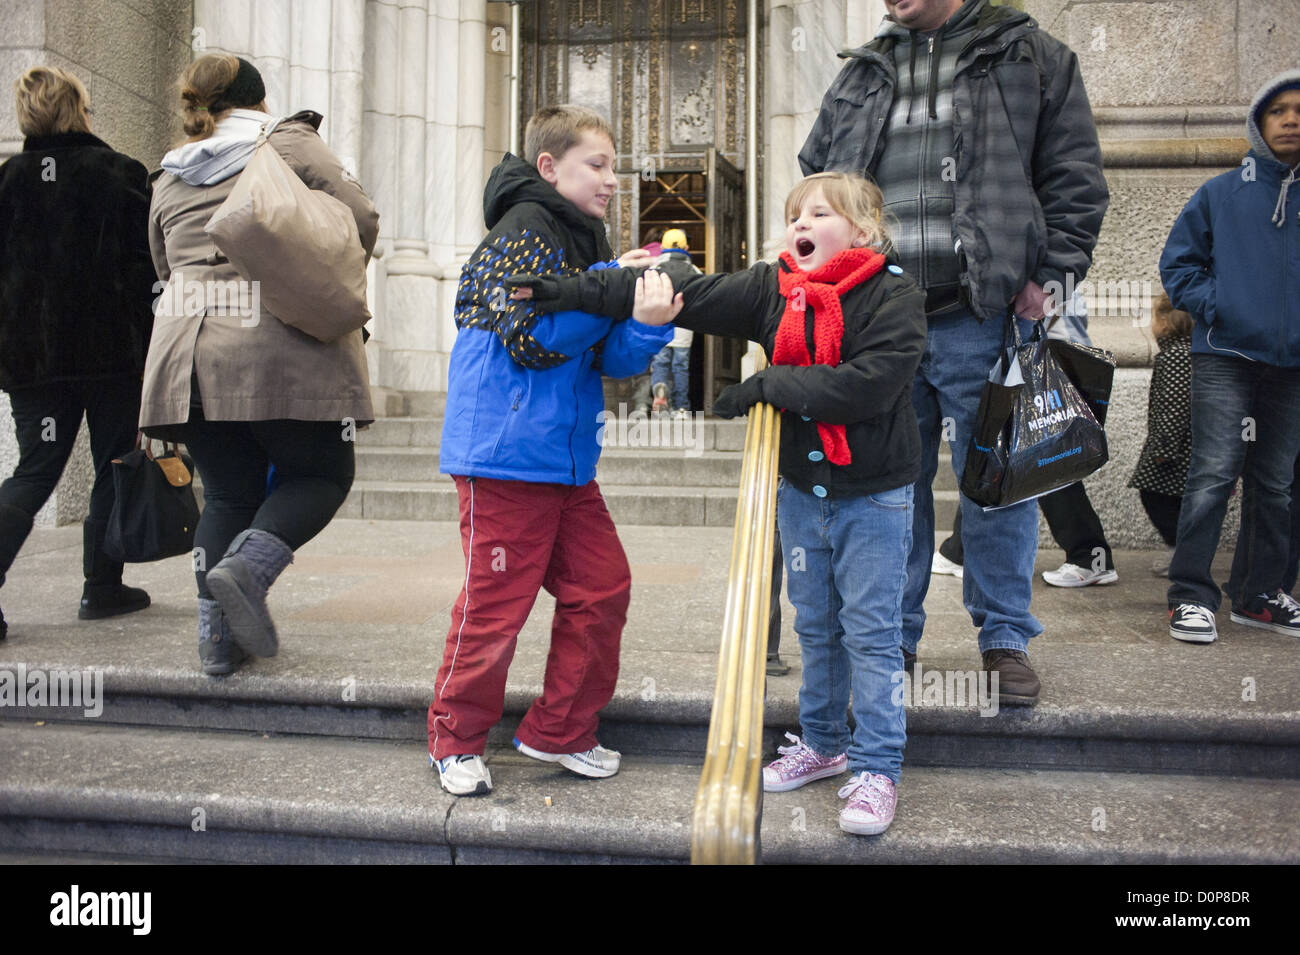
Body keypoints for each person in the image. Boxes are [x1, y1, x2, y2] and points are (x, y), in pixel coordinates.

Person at [513, 171, 926, 836]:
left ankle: (878, 767)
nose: (801, 224)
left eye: (819, 214)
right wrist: (562, 289)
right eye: (795, 213)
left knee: (872, 635)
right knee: (816, 624)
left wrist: (770, 383)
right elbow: (680, 289)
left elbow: (868, 386)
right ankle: (824, 744)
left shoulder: (894, 294)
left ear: (863, 228)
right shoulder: (774, 287)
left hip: (874, 495)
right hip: (800, 489)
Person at [799, 0, 1108, 704]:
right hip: (877, 321)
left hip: (987, 315)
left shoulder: (1030, 55)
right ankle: (890, 643)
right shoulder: (863, 72)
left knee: (1000, 484)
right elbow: (817, 178)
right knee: (886, 494)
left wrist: (1051, 275)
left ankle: (1004, 640)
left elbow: (1076, 176)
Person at [426, 104, 674, 797]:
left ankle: (558, 729)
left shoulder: (582, 241)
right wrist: (611, 290)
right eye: (597, 164)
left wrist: (647, 320)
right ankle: (454, 738)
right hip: (503, 457)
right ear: (548, 166)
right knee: (495, 605)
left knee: (602, 588)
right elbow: (530, 337)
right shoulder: (524, 229)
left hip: (565, 464)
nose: (613, 180)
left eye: (615, 166)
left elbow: (607, 354)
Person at [141, 54, 379, 674]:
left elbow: (164, 267)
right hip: (280, 342)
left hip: (187, 352)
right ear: (261, 99)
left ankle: (218, 644)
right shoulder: (289, 142)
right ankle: (247, 570)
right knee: (320, 476)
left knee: (225, 495)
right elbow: (362, 218)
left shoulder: (167, 173)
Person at [0, 66, 155, 639]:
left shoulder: (8, 181)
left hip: (35, 364)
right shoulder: (119, 175)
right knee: (116, 460)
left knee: (36, 468)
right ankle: (101, 585)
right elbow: (148, 270)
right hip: (112, 357)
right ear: (79, 111)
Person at [1160, 69, 1300, 643]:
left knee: (1276, 483)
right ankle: (1191, 596)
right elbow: (1178, 265)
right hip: (1225, 354)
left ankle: (1259, 596)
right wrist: (1223, 306)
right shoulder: (1221, 192)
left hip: (1293, 368)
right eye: (1279, 111)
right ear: (1258, 123)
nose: (1292, 119)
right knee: (1214, 473)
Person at [1128, 292, 1193, 577]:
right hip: (1184, 447)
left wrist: (1164, 448)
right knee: (1174, 501)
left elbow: (1173, 405)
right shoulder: (1184, 353)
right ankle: (1183, 550)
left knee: (1155, 497)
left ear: (1165, 323)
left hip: (1176, 451)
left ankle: (1182, 551)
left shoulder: (1176, 356)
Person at [649, 229, 698, 419]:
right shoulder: (693, 270)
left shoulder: (655, 267)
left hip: (660, 323)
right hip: (684, 325)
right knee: (680, 366)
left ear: (662, 247)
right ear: (686, 247)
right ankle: (681, 407)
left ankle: (660, 388)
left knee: (660, 362)